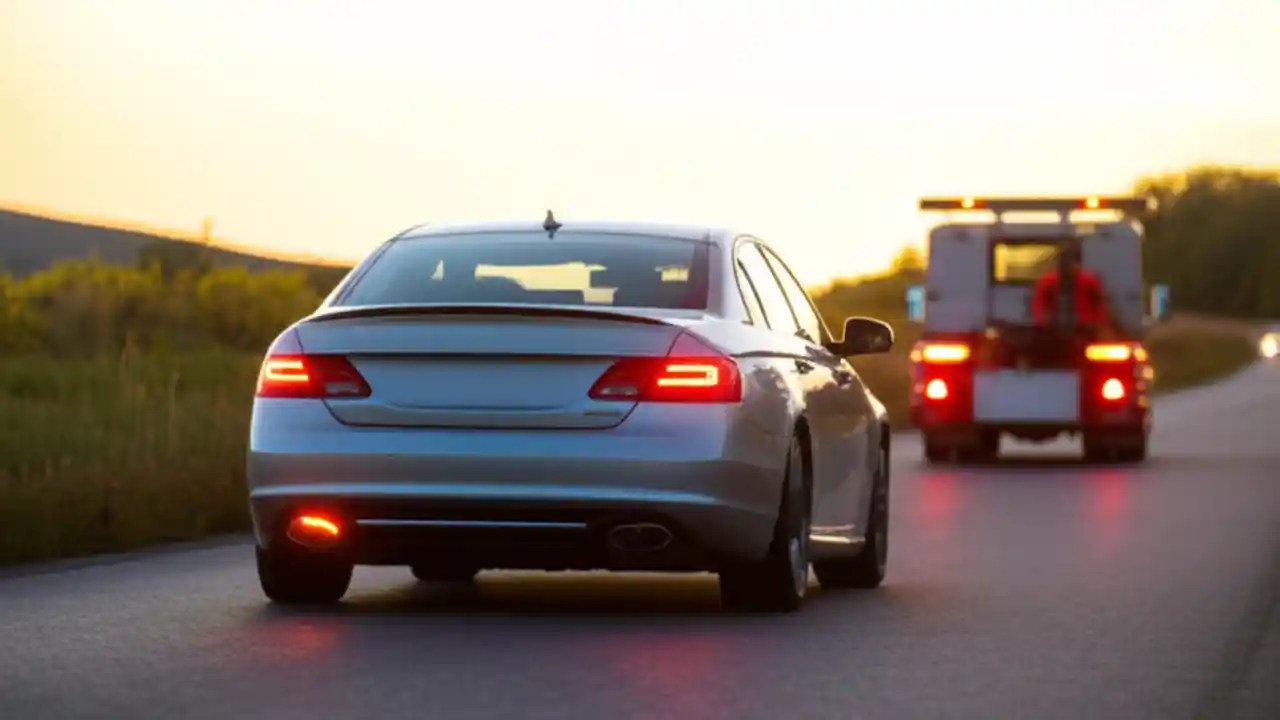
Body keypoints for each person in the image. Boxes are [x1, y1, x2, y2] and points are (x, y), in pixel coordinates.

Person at [1030, 240, 1111, 335]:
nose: (1068, 267)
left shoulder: (1088, 281)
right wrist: (1043, 323)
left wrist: (1097, 324)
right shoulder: (1047, 282)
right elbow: (1039, 305)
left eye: (1071, 263)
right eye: (1064, 263)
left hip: (1084, 329)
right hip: (1054, 329)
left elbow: (1100, 304)